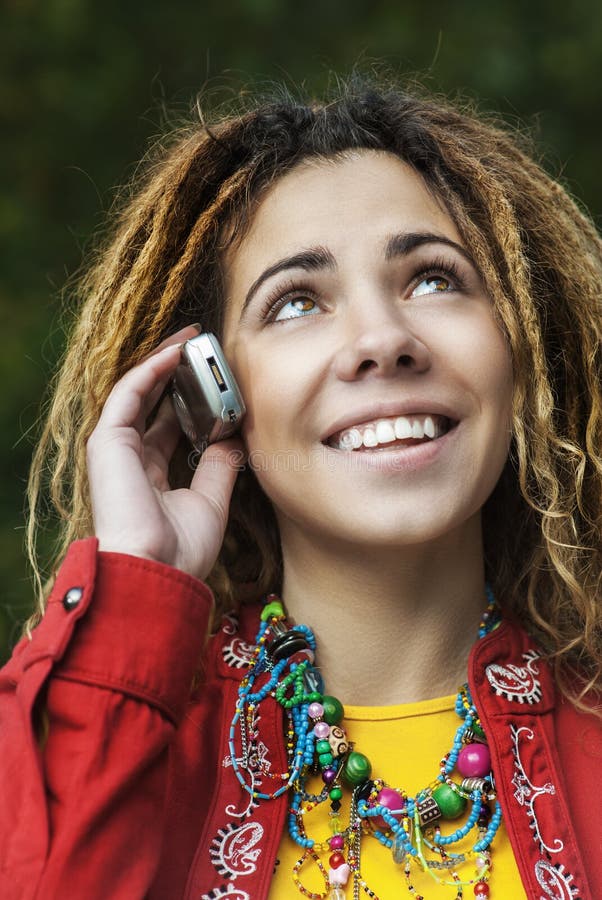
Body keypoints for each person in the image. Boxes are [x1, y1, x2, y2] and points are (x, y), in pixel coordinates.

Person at [1, 75, 601, 900]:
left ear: (523, 347)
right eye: (295, 302)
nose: (383, 340)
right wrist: (135, 592)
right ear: (212, 392)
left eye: (433, 279)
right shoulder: (133, 737)